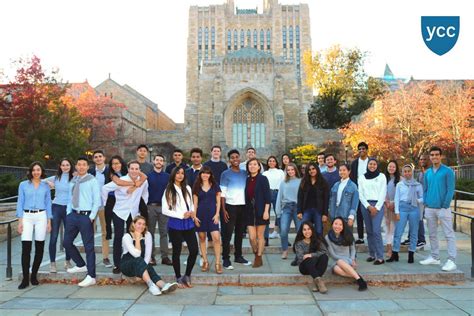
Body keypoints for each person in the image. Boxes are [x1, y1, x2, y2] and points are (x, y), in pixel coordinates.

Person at [101, 160, 149, 274]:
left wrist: (142, 205)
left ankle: (130, 263)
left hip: (133, 213)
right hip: (119, 212)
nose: (134, 171)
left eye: (136, 169)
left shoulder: (143, 182)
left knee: (132, 238)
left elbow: (145, 193)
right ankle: (117, 264)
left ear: (139, 170)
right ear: (128, 169)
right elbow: (105, 189)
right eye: (132, 168)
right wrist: (105, 203)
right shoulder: (122, 180)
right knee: (118, 238)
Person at [64, 156, 101, 287]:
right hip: (73, 215)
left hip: (86, 216)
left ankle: (91, 276)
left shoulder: (92, 181)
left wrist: (91, 217)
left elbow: (97, 200)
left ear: (87, 167)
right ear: (76, 166)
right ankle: (80, 264)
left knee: (88, 246)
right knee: (66, 242)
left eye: (83, 165)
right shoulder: (73, 181)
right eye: (79, 164)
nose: (81, 167)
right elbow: (69, 198)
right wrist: (69, 213)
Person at [420, 146, 457, 271]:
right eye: (432, 155)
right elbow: (425, 189)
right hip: (430, 208)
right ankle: (435, 257)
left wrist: (445, 205)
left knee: (449, 234)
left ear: (441, 156)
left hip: (443, 209)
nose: (434, 157)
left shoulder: (448, 171)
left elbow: (450, 190)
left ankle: (452, 260)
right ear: (430, 157)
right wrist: (426, 202)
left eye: (437, 154)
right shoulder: (428, 173)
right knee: (432, 234)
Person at [120, 216, 178, 295]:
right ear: (133, 224)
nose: (141, 226)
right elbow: (136, 254)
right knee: (139, 260)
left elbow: (147, 255)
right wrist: (137, 237)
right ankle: (151, 285)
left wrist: (141, 270)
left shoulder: (147, 235)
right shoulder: (126, 237)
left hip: (140, 263)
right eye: (139, 223)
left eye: (144, 224)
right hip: (127, 265)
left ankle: (163, 285)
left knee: (147, 266)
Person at [162, 166, 199, 288]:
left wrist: (192, 212)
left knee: (194, 250)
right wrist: (180, 215)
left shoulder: (187, 187)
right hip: (175, 224)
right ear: (173, 175)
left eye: (182, 173)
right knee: (176, 252)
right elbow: (165, 210)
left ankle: (187, 275)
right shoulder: (169, 189)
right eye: (177, 173)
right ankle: (178, 276)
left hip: (188, 223)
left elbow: (191, 204)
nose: (180, 175)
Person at [17, 162, 52, 289]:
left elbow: (48, 203)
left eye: (38, 170)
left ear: (41, 171)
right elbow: (20, 202)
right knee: (26, 248)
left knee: (39, 247)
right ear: (30, 172)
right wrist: (20, 221)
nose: (36, 172)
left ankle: (34, 276)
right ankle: (25, 279)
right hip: (26, 217)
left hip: (41, 216)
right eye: (34, 170)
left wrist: (49, 221)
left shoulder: (45, 186)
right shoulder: (23, 185)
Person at [220, 149, 252, 269]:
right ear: (229, 160)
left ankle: (238, 256)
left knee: (240, 233)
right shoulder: (225, 174)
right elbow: (222, 194)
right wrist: (223, 210)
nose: (235, 159)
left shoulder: (244, 173)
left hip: (242, 207)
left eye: (237, 157)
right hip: (229, 207)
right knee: (227, 234)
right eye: (232, 157)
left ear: (240, 158)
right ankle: (226, 258)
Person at [388, 164, 423, 264]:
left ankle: (411, 253)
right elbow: (397, 199)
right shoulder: (400, 184)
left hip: (414, 209)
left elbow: (423, 197)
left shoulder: (418, 185)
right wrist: (397, 212)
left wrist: (417, 200)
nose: (407, 173)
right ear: (403, 173)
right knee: (398, 232)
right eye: (405, 171)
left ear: (412, 172)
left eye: (409, 171)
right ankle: (395, 253)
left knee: (413, 232)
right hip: (402, 208)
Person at [44, 158, 74, 272]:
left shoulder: (74, 178)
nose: (65, 167)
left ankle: (67, 261)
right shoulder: (56, 178)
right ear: (60, 166)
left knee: (68, 237)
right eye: (63, 165)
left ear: (70, 166)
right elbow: (40, 181)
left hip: (69, 209)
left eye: (67, 165)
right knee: (54, 236)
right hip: (56, 207)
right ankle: (52, 263)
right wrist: (48, 183)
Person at [192, 166, 223, 274]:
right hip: (200, 215)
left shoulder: (215, 185)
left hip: (212, 215)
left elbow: (218, 201)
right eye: (203, 173)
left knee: (216, 237)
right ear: (200, 174)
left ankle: (218, 262)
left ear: (210, 175)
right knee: (201, 238)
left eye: (207, 173)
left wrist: (217, 214)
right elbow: (195, 203)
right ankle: (205, 261)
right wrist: (194, 216)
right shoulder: (196, 186)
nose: (205, 175)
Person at [325, 217, 368, 291]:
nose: (337, 226)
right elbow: (333, 255)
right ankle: (357, 277)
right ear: (332, 225)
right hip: (336, 261)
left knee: (340, 262)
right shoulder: (327, 237)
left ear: (343, 226)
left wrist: (351, 260)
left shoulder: (348, 235)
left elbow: (353, 249)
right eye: (335, 224)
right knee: (337, 268)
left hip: (348, 261)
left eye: (340, 225)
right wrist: (345, 261)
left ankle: (359, 281)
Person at [359, 158, 387, 265]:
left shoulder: (381, 176)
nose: (372, 166)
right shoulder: (362, 177)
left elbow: (383, 192)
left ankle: (380, 257)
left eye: (374, 164)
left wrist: (377, 207)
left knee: (376, 231)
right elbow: (360, 193)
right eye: (370, 164)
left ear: (377, 165)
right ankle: (372, 254)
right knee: (369, 231)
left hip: (377, 205)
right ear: (367, 165)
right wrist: (368, 206)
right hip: (365, 205)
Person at [147, 154, 172, 266]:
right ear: (153, 161)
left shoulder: (167, 176)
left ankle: (165, 257)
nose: (159, 162)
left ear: (163, 163)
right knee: (150, 233)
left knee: (164, 233)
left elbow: (170, 192)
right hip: (150, 207)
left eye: (161, 160)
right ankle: (151, 256)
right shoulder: (147, 176)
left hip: (163, 207)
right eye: (157, 160)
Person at [245, 158, 271, 268]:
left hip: (261, 211)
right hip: (249, 211)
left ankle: (259, 256)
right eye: (250, 164)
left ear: (259, 167)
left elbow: (267, 197)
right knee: (251, 237)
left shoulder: (263, 179)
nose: (252, 166)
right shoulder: (247, 179)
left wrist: (266, 211)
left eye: (255, 164)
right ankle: (256, 253)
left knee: (260, 236)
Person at [88, 150, 112, 268]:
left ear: (104, 158)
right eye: (96, 157)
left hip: (104, 206)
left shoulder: (109, 171)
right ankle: (90, 257)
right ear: (93, 159)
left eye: (100, 156)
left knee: (105, 232)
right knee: (89, 232)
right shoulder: (90, 171)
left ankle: (105, 257)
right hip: (91, 206)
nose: (98, 158)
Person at [293, 221, 329, 293]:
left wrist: (311, 255)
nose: (307, 232)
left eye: (309, 229)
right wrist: (312, 257)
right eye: (304, 229)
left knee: (324, 257)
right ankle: (320, 284)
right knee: (309, 259)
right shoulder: (299, 243)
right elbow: (301, 258)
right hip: (304, 267)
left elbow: (325, 251)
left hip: (316, 266)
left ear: (312, 230)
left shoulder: (317, 239)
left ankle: (317, 282)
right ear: (302, 231)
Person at [275, 163, 301, 259]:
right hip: (286, 207)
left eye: (292, 169)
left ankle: (299, 250)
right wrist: (278, 212)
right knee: (284, 231)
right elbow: (279, 197)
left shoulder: (300, 181)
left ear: (295, 170)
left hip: (297, 208)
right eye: (288, 170)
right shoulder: (283, 183)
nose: (290, 171)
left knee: (300, 231)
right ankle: (285, 250)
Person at [402, 154, 429, 247]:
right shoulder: (421, 172)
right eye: (421, 159)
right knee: (412, 218)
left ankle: (421, 239)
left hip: (424, 200)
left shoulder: (429, 172)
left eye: (424, 159)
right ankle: (410, 238)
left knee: (419, 219)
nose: (422, 161)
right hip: (417, 199)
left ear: (428, 160)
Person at [297, 162, 329, 237]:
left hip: (318, 210)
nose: (311, 171)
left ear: (317, 169)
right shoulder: (304, 182)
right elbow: (300, 197)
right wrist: (299, 211)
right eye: (309, 169)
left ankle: (318, 247)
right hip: (306, 210)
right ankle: (305, 247)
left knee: (318, 230)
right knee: (304, 229)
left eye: (313, 169)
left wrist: (325, 214)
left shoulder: (323, 182)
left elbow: (326, 199)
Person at [350, 142, 370, 244]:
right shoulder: (354, 163)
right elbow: (352, 177)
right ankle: (361, 237)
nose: (361, 150)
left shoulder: (371, 162)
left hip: (370, 192)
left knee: (370, 214)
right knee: (359, 215)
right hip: (358, 191)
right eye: (360, 149)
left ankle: (371, 236)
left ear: (367, 150)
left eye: (363, 149)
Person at [263, 156, 285, 242]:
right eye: (270, 161)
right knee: (266, 217)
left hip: (278, 193)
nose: (271, 162)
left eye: (273, 161)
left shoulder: (280, 172)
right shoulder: (265, 173)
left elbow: (283, 183)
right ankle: (266, 238)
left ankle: (284, 237)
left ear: (276, 162)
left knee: (279, 215)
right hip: (267, 193)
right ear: (268, 163)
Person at [384, 160, 400, 259]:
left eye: (393, 167)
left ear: (396, 168)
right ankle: (389, 249)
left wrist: (394, 203)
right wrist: (386, 202)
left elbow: (402, 194)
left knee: (395, 229)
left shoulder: (400, 180)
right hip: (385, 206)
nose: (391, 168)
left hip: (396, 207)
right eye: (390, 166)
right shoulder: (383, 179)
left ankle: (395, 249)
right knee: (388, 229)